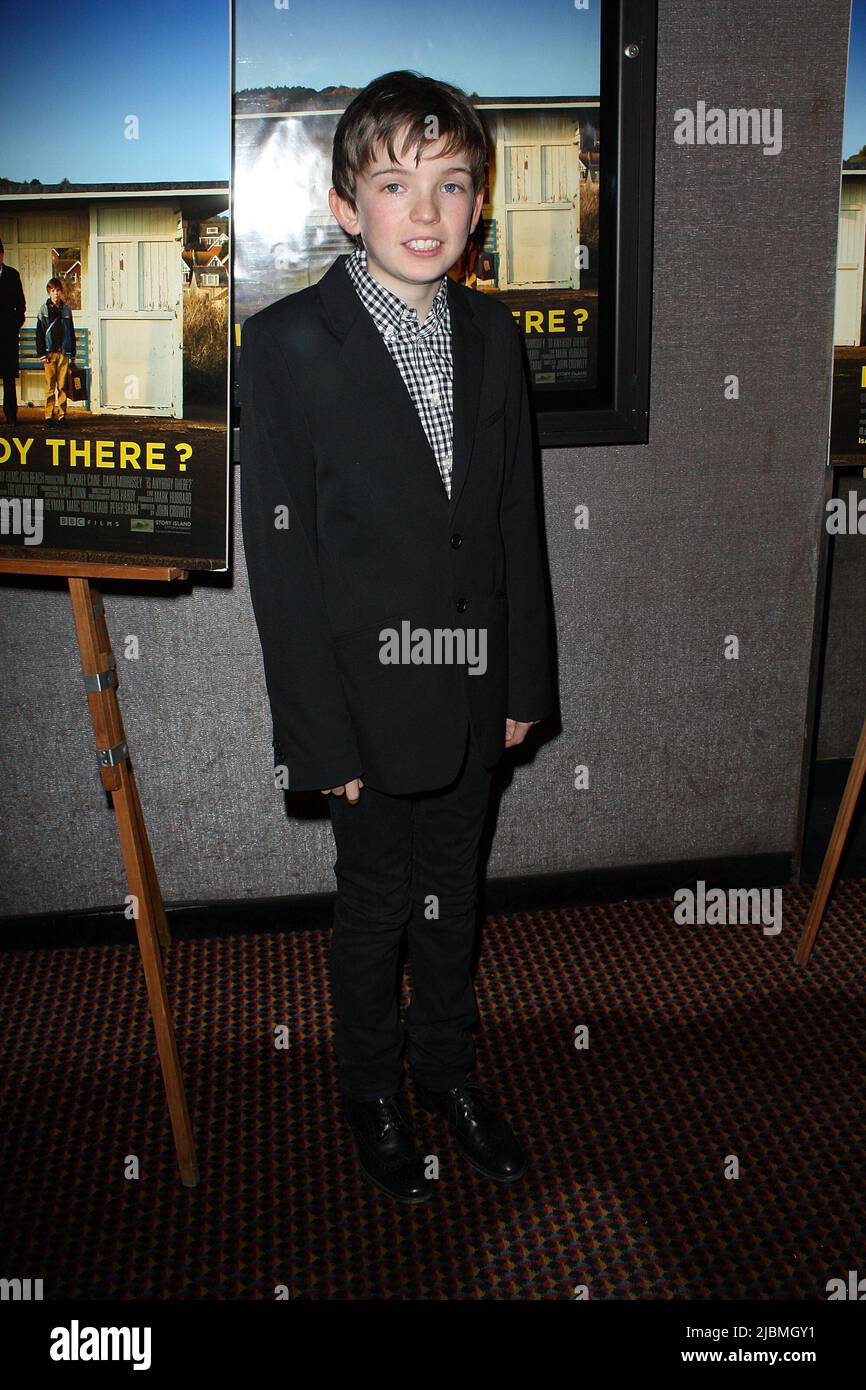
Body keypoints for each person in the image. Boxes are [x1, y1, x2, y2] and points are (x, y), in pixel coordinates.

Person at [239, 70, 555, 1204]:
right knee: (375, 909)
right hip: (362, 714)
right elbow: (284, 568)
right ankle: (370, 1090)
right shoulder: (282, 348)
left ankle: (443, 1073)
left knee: (453, 898)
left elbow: (513, 520)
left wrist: (522, 681)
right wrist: (322, 743)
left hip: (471, 697)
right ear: (342, 204)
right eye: (392, 185)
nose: (423, 212)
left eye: (449, 185)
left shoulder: (492, 336)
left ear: (476, 208)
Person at [35, 277, 76, 427]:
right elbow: (39, 333)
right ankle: (48, 415)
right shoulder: (43, 310)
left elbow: (71, 331)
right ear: (49, 292)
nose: (56, 293)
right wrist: (41, 353)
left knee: (63, 385)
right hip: (49, 353)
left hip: (64, 352)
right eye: (53, 291)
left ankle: (62, 415)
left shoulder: (66, 309)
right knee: (50, 385)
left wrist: (73, 353)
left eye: (58, 290)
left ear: (61, 292)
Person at [0, 239, 26, 426]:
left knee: (9, 378)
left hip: (8, 337)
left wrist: (13, 326)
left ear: (2, 255)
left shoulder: (12, 275)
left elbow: (21, 306)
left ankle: (11, 417)